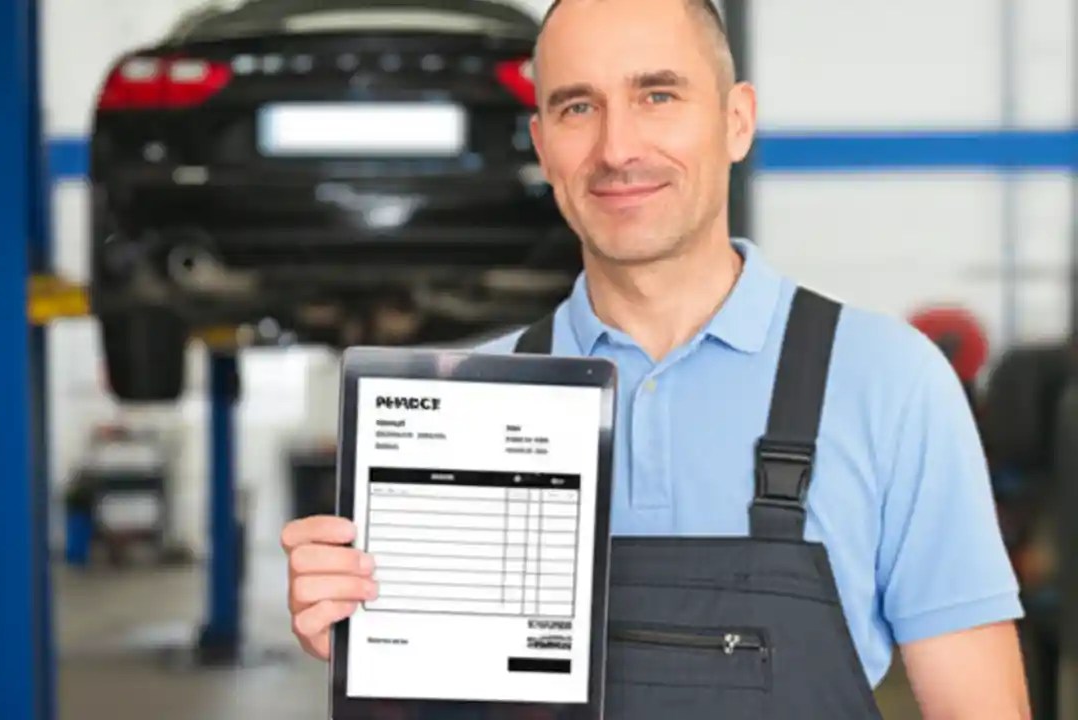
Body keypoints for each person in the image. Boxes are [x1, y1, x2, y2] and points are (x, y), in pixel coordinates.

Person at [281, 0, 1032, 716]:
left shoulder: (889, 383)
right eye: (579, 107)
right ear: (542, 145)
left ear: (737, 122)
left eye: (659, 96)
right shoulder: (460, 408)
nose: (617, 149)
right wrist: (365, 638)